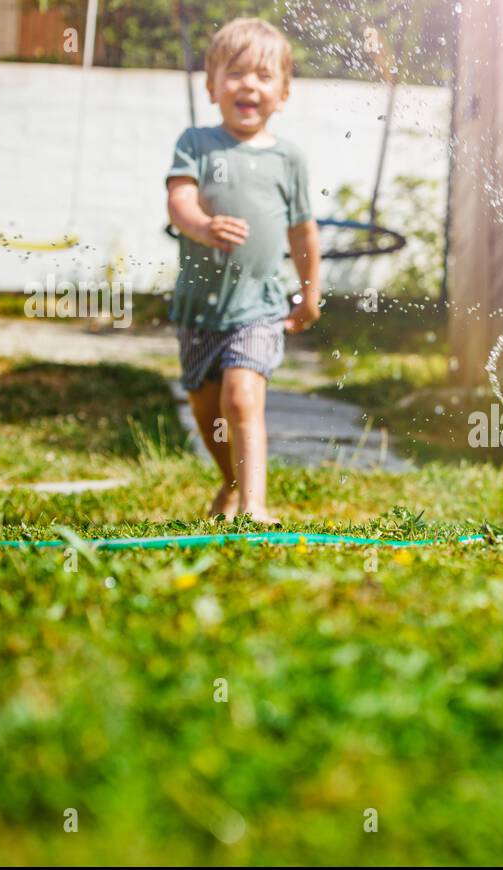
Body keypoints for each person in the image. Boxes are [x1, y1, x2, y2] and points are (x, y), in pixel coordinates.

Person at [166, 17, 322, 524]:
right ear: (212, 86)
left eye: (263, 75)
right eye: (234, 73)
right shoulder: (196, 142)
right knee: (205, 408)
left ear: (284, 93)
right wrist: (202, 226)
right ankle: (231, 484)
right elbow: (179, 200)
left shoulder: (288, 158)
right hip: (198, 310)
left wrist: (310, 294)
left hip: (258, 306)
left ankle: (255, 508)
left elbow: (303, 232)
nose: (248, 85)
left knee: (240, 399)